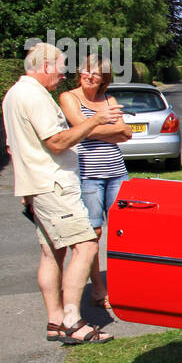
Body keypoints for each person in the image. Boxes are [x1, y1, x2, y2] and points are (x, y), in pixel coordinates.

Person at [2, 42, 129, 344]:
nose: (63, 74)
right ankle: (74, 321)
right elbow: (57, 142)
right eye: (60, 68)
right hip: (53, 185)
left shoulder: (13, 94)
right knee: (85, 246)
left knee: (51, 253)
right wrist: (95, 121)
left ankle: (55, 321)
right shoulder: (35, 97)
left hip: (37, 185)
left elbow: (13, 147)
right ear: (45, 65)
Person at [59, 56, 130, 310]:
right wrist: (107, 129)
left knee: (123, 230)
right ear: (80, 72)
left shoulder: (108, 99)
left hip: (117, 172)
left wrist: (93, 129)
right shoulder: (70, 98)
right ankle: (98, 290)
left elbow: (127, 133)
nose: (90, 76)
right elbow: (80, 126)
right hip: (89, 174)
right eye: (87, 71)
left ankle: (122, 285)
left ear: (104, 78)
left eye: (96, 74)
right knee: (93, 233)